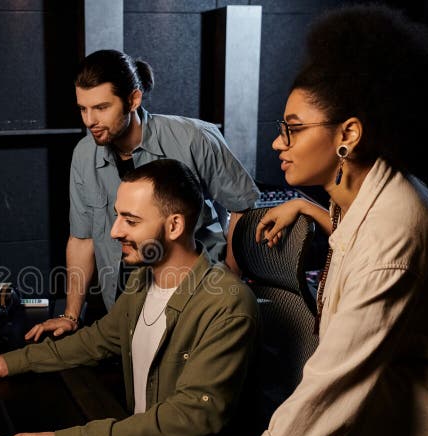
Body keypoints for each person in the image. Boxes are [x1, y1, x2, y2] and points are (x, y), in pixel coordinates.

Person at [153, 5, 428, 436]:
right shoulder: (364, 197)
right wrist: (311, 210)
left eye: (292, 130)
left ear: (347, 134)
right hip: (393, 423)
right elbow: (365, 250)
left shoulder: (395, 228)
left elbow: (331, 380)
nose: (276, 144)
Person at [0, 159, 257, 436]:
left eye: (131, 221)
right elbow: (96, 340)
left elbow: (189, 418)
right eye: (117, 217)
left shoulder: (227, 304)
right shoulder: (144, 279)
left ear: (175, 226)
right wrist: (12, 361)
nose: (114, 232)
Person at [25, 49, 260, 342]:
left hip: (198, 298)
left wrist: (229, 280)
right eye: (83, 109)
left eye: (101, 107)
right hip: (126, 306)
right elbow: (82, 239)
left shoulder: (195, 138)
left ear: (133, 99)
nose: (90, 120)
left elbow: (244, 206)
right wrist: (71, 315)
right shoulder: (83, 155)